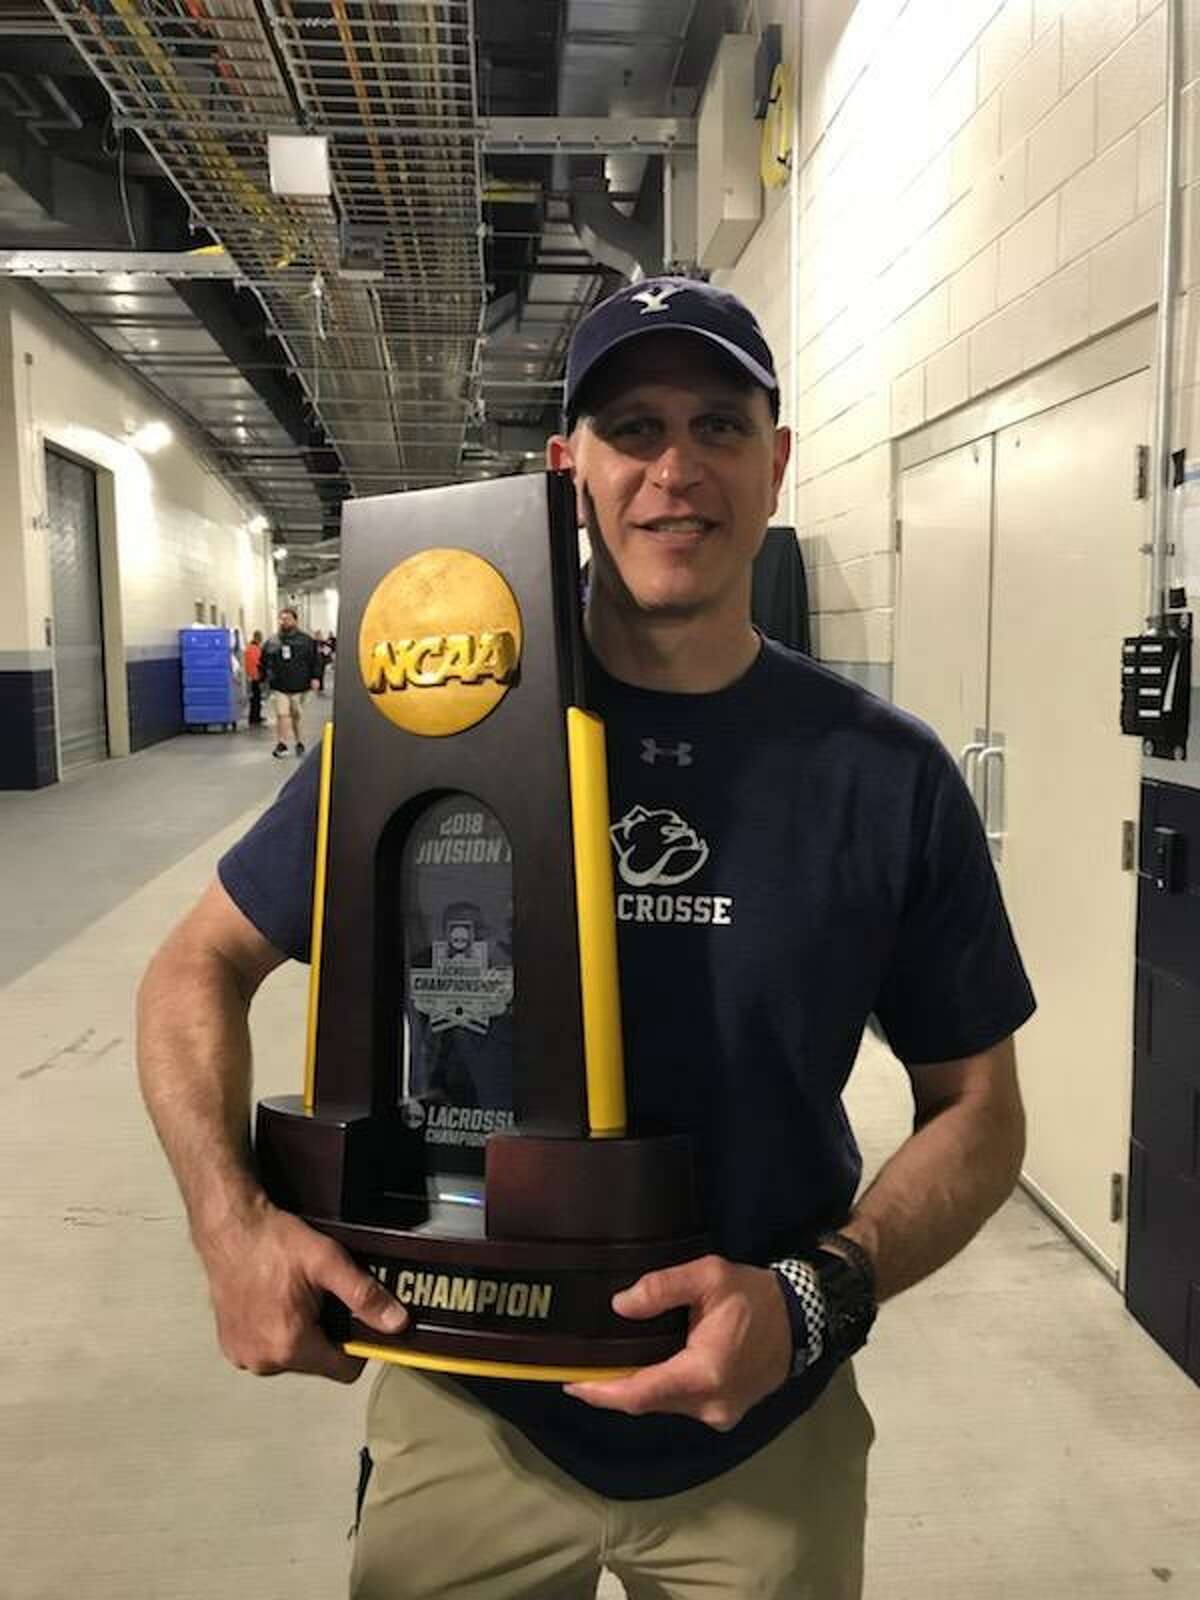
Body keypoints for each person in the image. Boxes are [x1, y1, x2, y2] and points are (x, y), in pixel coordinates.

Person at [137, 278, 1035, 1599]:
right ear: (569, 471)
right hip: (470, 1409)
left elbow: (983, 1110)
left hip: (761, 1436)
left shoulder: (882, 778)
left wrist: (812, 1303)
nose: (677, 471)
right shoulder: (426, 729)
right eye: (633, 429)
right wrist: (229, 1223)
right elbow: (192, 968)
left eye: (719, 426)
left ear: (777, 461)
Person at [260, 606, 320, 757]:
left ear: (295, 620)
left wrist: (315, 677)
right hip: (279, 685)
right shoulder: (273, 641)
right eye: (282, 619)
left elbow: (315, 661)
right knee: (282, 714)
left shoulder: (306, 641)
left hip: (300, 686)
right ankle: (282, 743)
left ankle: (299, 742)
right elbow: (264, 661)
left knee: (296, 715)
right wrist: (264, 678)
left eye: (287, 619)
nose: (284, 622)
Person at [243, 629, 264, 727]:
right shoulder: (254, 648)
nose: (261, 640)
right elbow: (258, 661)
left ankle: (255, 716)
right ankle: (254, 717)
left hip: (251, 676)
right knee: (256, 698)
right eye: (260, 638)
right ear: (257, 638)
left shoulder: (250, 647)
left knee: (255, 698)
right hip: (254, 676)